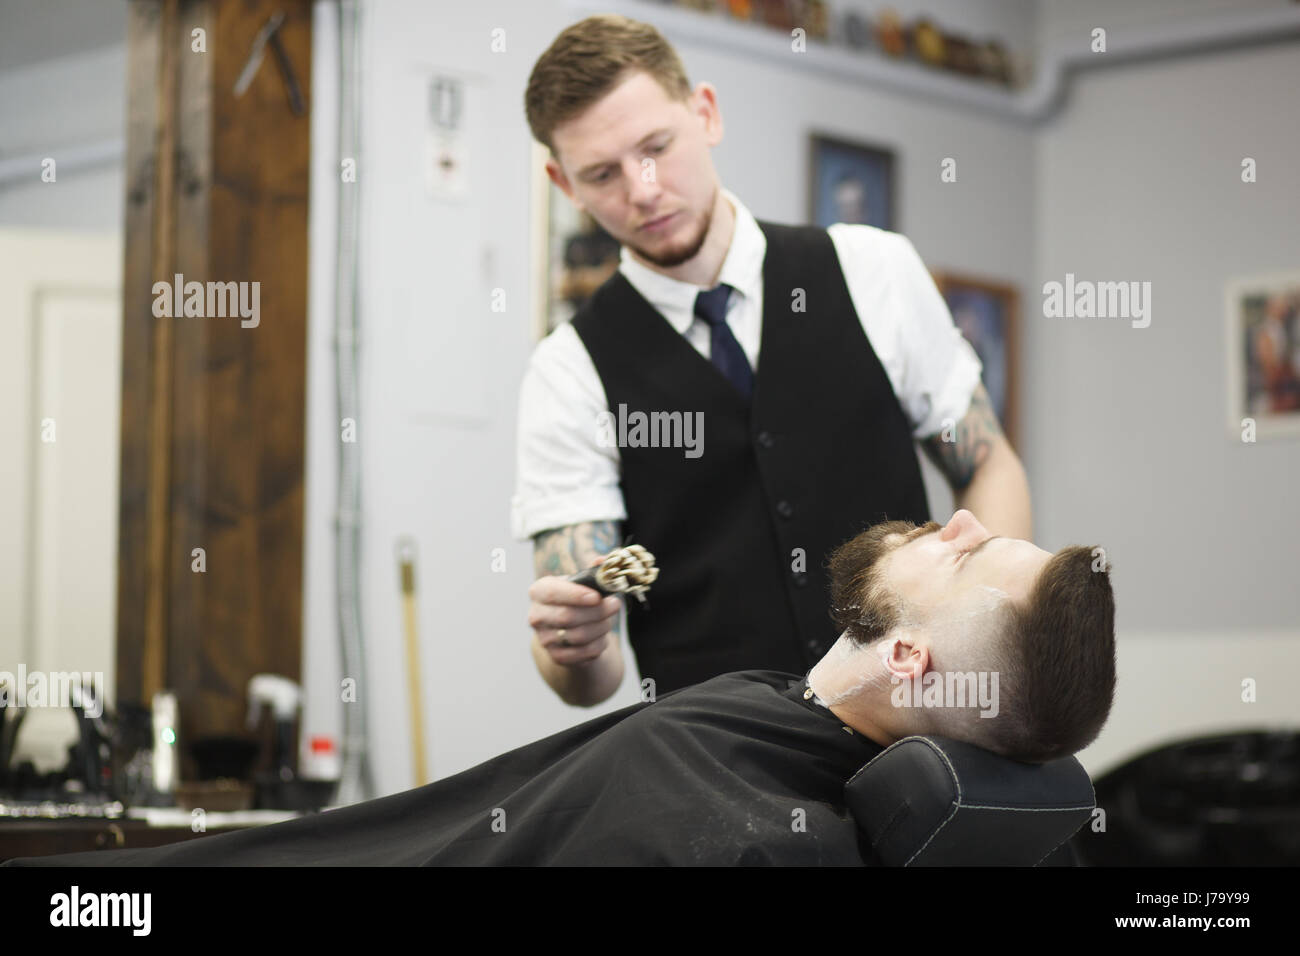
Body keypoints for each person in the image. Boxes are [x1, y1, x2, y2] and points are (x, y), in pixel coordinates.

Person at [2, 511, 1115, 867]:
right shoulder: (785, 733)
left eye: (969, 554)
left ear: (913, 658)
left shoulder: (741, 830)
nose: (957, 515)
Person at [515, 15, 1033, 707]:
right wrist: (572, 646)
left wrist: (980, 628)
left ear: (706, 113)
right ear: (563, 182)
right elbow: (590, 680)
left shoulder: (870, 269)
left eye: (657, 148)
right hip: (713, 768)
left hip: (914, 728)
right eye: (602, 174)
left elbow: (987, 461)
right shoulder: (569, 372)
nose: (642, 192)